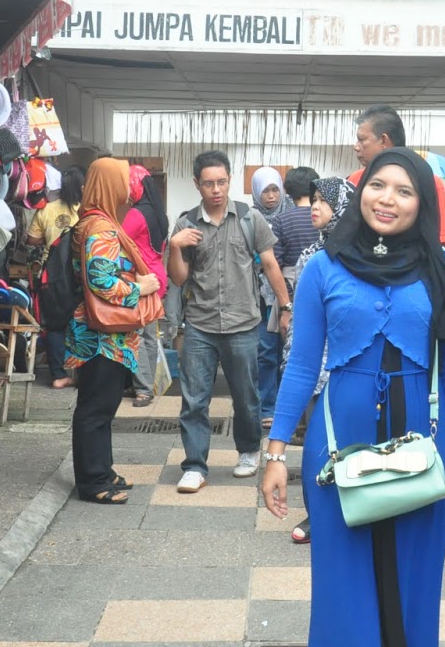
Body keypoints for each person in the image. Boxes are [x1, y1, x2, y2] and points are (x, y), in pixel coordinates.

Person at [261, 147, 445, 647]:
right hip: (335, 451)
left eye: (405, 191)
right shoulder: (324, 267)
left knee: (413, 594)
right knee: (342, 597)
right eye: (378, 186)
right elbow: (303, 364)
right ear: (361, 192)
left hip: (423, 453)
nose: (388, 199)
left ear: (424, 202)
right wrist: (276, 451)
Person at [168, 151, 291, 493]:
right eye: (209, 183)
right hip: (200, 325)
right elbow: (178, 280)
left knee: (246, 395)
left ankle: (249, 450)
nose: (217, 190)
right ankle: (194, 465)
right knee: (194, 399)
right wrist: (175, 247)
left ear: (230, 180)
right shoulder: (186, 224)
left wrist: (285, 306)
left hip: (242, 323)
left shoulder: (250, 218)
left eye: (222, 182)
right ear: (197, 184)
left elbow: (269, 265)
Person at [65, 158, 161, 504]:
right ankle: (93, 482)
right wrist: (142, 287)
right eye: (123, 181)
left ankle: (102, 471)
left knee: (99, 406)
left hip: (100, 333)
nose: (129, 188)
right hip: (101, 336)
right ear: (110, 186)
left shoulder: (93, 221)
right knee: (96, 409)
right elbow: (102, 281)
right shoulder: (101, 229)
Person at [282, 174, 355, 546]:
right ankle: (317, 513)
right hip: (312, 365)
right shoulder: (312, 255)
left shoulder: (360, 257)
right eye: (312, 200)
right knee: (315, 446)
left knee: (347, 443)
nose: (315, 207)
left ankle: (352, 506)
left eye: (323, 201)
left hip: (347, 367)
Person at [263, 166, 320, 426]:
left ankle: (287, 415)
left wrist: (285, 303)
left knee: (288, 353)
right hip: (319, 288)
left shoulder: (282, 220)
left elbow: (275, 260)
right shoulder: (323, 216)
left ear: (286, 191)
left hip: (289, 287)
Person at [350, 104, 445, 247]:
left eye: (404, 192)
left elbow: (440, 243)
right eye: (376, 185)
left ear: (384, 141)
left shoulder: (430, 183)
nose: (356, 146)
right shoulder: (354, 180)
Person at [26, 164, 83, 389]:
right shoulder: (86, 209)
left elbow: (31, 240)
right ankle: (83, 372)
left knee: (55, 327)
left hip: (53, 275)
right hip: (79, 274)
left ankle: (58, 375)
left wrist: (52, 237)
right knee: (83, 323)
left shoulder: (46, 210)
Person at [120, 165, 169, 409]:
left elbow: (120, 242)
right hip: (158, 277)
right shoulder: (159, 212)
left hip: (143, 279)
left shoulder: (136, 214)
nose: (126, 191)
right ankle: (145, 384)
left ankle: (142, 389)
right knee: (149, 335)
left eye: (129, 186)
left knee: (135, 335)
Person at [251, 166, 292, 430]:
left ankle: (287, 405)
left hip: (286, 293)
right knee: (266, 352)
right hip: (260, 295)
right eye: (265, 190)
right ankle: (268, 405)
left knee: (287, 351)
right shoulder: (249, 217)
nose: (270, 196)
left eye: (274, 189)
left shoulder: (290, 214)